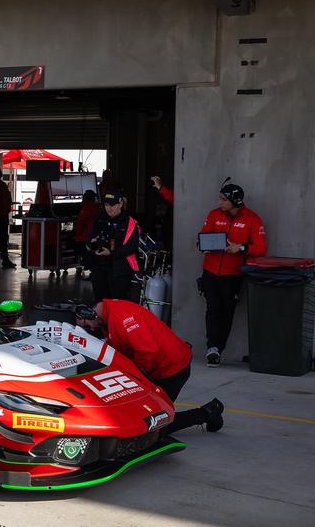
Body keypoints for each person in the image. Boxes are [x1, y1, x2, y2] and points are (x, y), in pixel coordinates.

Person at [74, 301, 224, 433]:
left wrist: (136, 377)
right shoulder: (109, 317)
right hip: (161, 366)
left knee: (153, 427)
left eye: (87, 326)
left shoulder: (123, 317)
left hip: (172, 368)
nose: (91, 330)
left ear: (92, 314)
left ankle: (208, 412)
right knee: (138, 419)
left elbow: (148, 350)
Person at [198, 183, 266, 367]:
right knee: (212, 310)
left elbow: (261, 247)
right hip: (210, 271)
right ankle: (212, 348)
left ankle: (219, 348)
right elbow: (203, 236)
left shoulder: (252, 219)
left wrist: (240, 248)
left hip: (233, 274)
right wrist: (202, 245)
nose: (220, 202)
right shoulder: (214, 214)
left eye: (224, 199)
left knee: (227, 313)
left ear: (235, 200)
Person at [87, 190, 140, 301]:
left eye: (112, 205)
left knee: (117, 304)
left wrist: (111, 253)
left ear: (120, 204)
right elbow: (89, 240)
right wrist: (92, 244)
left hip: (119, 270)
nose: (108, 208)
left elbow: (132, 247)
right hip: (99, 267)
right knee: (101, 302)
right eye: (106, 205)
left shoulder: (129, 222)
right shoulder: (100, 218)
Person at [74, 190, 101, 276]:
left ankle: (84, 263)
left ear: (84, 198)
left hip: (85, 238)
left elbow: (79, 225)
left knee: (71, 242)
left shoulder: (85, 208)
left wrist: (74, 234)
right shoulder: (99, 207)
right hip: (97, 237)